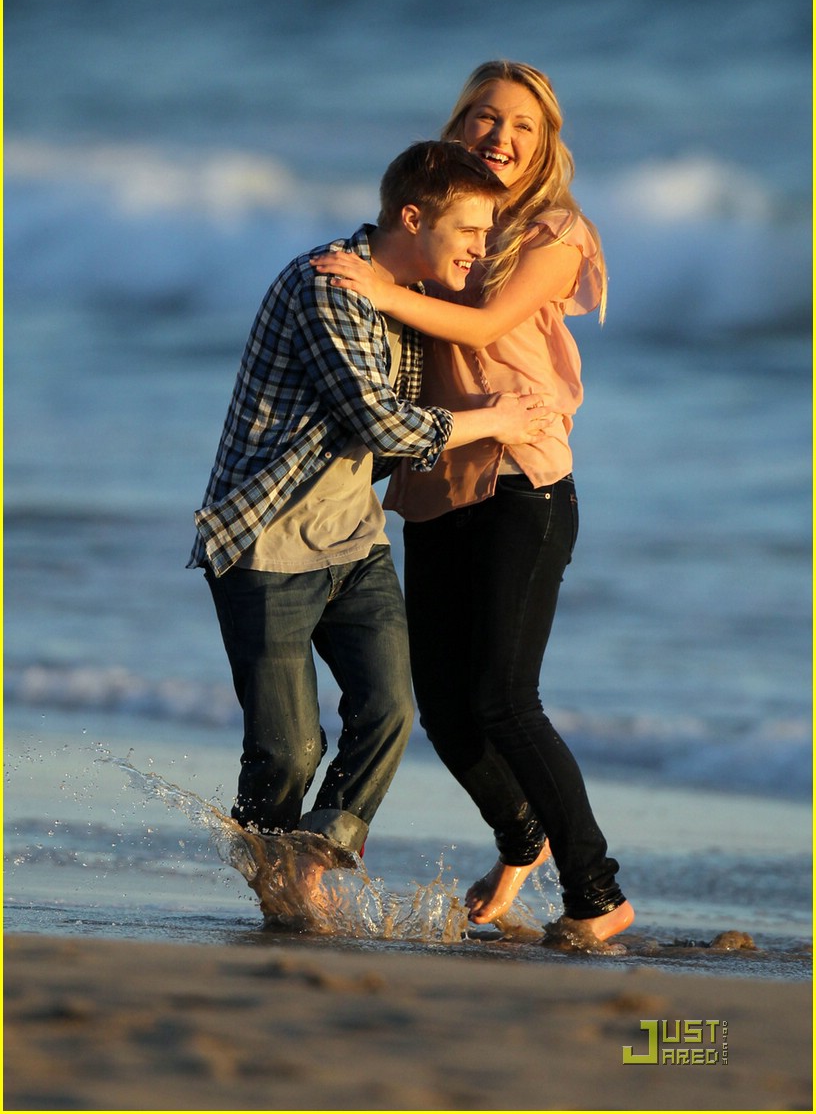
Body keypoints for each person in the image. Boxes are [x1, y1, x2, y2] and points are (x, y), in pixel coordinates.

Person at [310, 61, 635, 943]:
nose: (500, 136)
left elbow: (488, 326)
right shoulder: (439, 227)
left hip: (523, 481)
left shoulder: (554, 230)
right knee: (445, 707)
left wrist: (380, 288)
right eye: (485, 119)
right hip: (437, 484)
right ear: (456, 128)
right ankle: (520, 837)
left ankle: (599, 895)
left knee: (503, 698)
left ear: (545, 148)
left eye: (522, 127)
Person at [188, 139, 551, 877]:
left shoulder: (412, 296)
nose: (483, 249)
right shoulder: (327, 285)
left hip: (354, 540)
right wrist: (499, 420)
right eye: (471, 232)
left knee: (390, 713)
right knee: (288, 749)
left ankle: (311, 862)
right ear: (413, 219)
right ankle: (267, 863)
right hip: (268, 544)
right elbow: (381, 423)